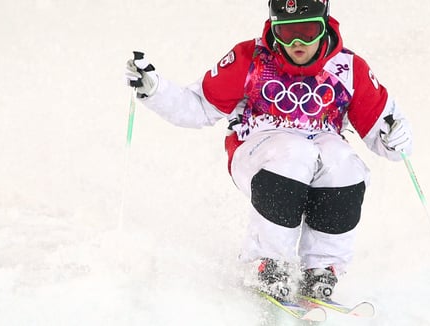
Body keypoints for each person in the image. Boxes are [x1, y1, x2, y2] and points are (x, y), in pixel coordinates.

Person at [124, 0, 412, 301]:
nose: (297, 43)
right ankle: (268, 262)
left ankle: (322, 267)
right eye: (286, 33)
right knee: (294, 152)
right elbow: (198, 107)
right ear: (274, 29)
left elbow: (385, 132)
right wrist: (155, 90)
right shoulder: (250, 59)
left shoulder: (349, 68)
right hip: (260, 148)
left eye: (308, 31)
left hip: (320, 150)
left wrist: (397, 138)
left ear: (325, 26)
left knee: (344, 162)